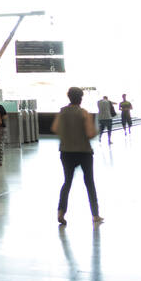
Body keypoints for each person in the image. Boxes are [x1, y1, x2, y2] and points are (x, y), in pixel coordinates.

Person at [52, 86, 102, 226]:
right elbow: (90, 133)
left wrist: (67, 134)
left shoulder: (62, 111)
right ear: (80, 98)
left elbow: (55, 128)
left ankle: (61, 212)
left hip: (66, 152)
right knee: (89, 182)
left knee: (67, 182)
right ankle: (95, 215)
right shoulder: (83, 113)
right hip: (83, 152)